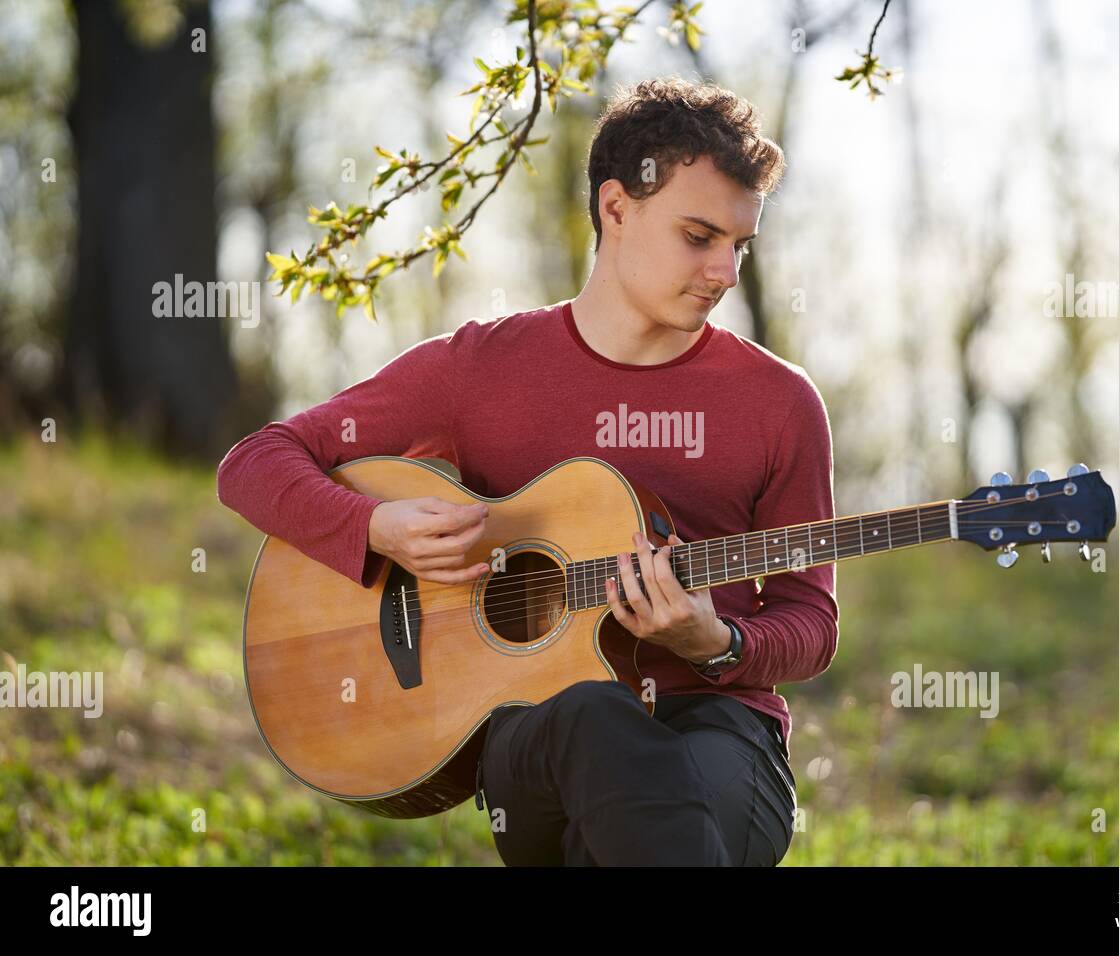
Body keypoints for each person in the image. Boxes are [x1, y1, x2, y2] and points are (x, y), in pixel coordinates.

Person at [217, 75, 838, 866]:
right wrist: (376, 527)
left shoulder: (779, 403)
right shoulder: (481, 368)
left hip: (718, 732)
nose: (725, 273)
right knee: (589, 717)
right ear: (616, 208)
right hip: (537, 740)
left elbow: (811, 624)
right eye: (698, 237)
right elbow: (254, 462)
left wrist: (713, 640)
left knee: (645, 818)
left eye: (738, 246)